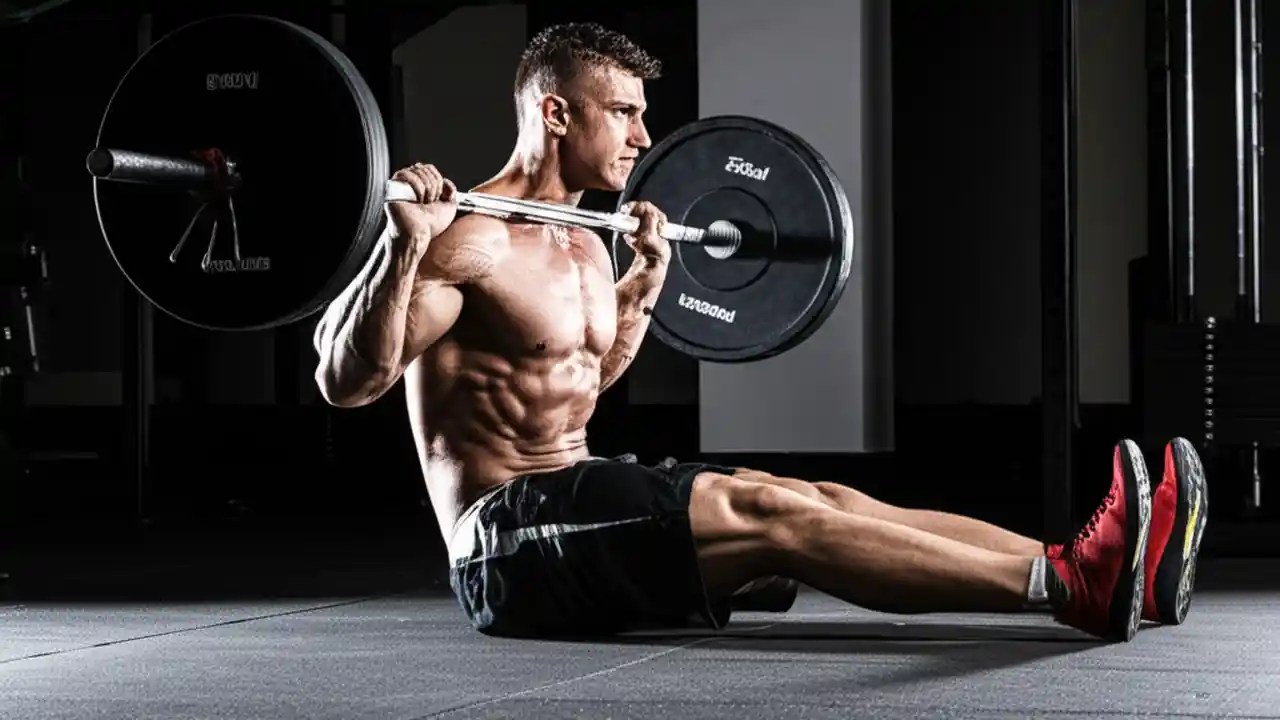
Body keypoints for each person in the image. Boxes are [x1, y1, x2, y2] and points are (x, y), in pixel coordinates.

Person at [311, 22, 1208, 641]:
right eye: (622, 111)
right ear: (556, 113)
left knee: (817, 495)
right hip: (507, 544)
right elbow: (346, 381)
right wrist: (401, 250)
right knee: (776, 518)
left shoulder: (590, 240)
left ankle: (1102, 561)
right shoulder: (466, 237)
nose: (643, 134)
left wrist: (645, 288)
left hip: (577, 496)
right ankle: (1072, 589)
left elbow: (582, 384)